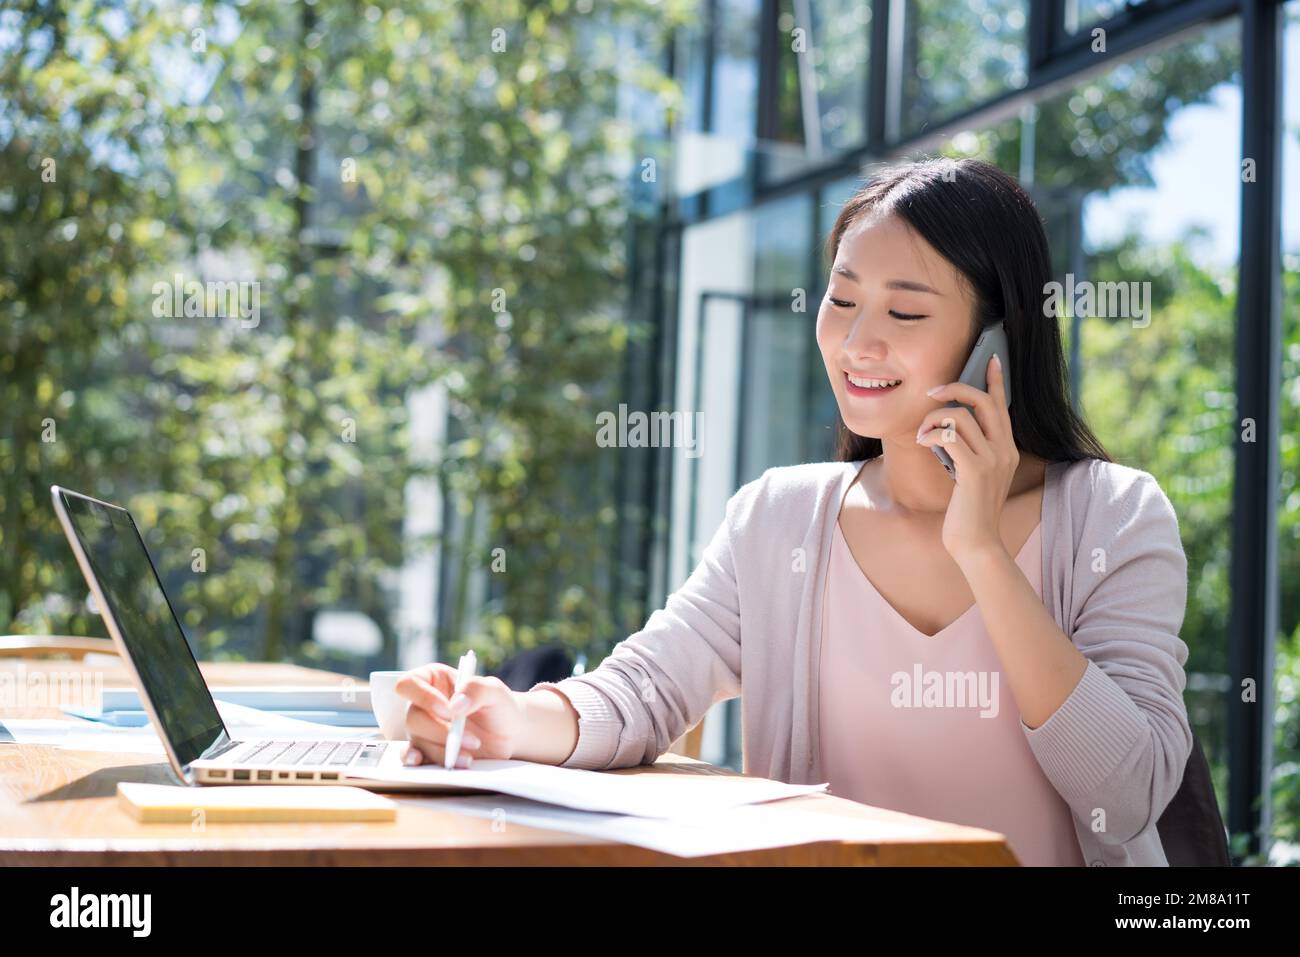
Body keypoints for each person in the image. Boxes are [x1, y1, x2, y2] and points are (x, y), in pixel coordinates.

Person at [394, 158, 1192, 866]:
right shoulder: (779, 520)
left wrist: (983, 550)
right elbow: (644, 689)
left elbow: (1126, 795)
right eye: (842, 300)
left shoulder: (1113, 518)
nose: (856, 343)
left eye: (905, 314)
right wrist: (514, 720)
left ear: (997, 342)